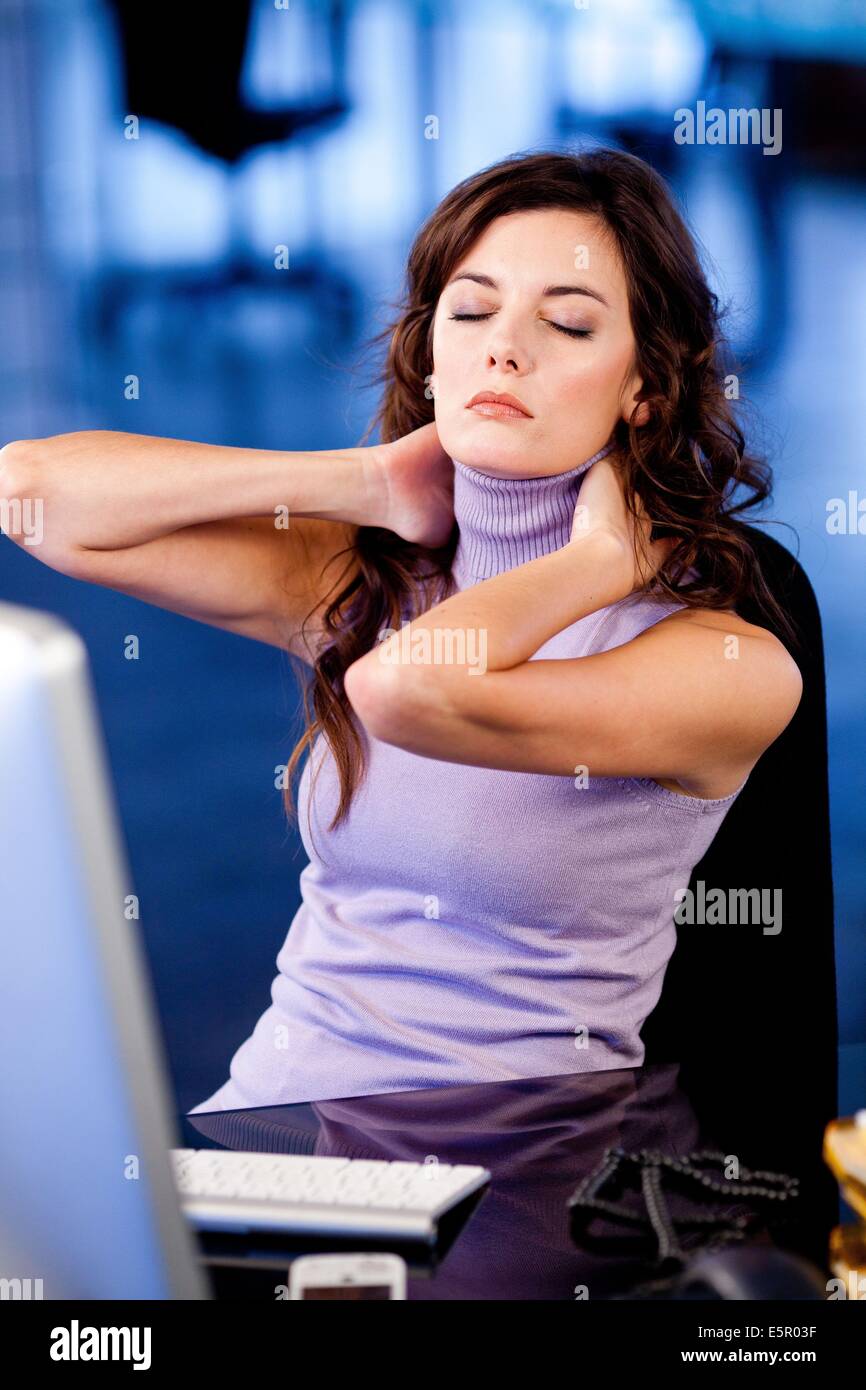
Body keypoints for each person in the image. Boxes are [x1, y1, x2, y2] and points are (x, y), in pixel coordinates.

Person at [0, 148, 803, 1111]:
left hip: (513, 1161)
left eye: (568, 322)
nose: (504, 348)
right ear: (431, 355)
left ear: (647, 390)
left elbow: (406, 690)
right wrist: (364, 479)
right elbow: (32, 494)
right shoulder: (371, 580)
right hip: (275, 1120)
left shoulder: (726, 664)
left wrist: (595, 563)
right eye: (471, 312)